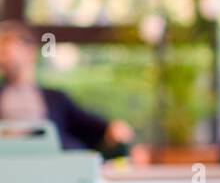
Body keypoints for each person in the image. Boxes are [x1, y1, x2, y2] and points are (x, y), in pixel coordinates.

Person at [0, 20, 134, 154]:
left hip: (55, 160)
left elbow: (89, 124)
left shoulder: (55, 98)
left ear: (30, 51)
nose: (3, 53)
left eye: (7, 45)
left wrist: (113, 128)